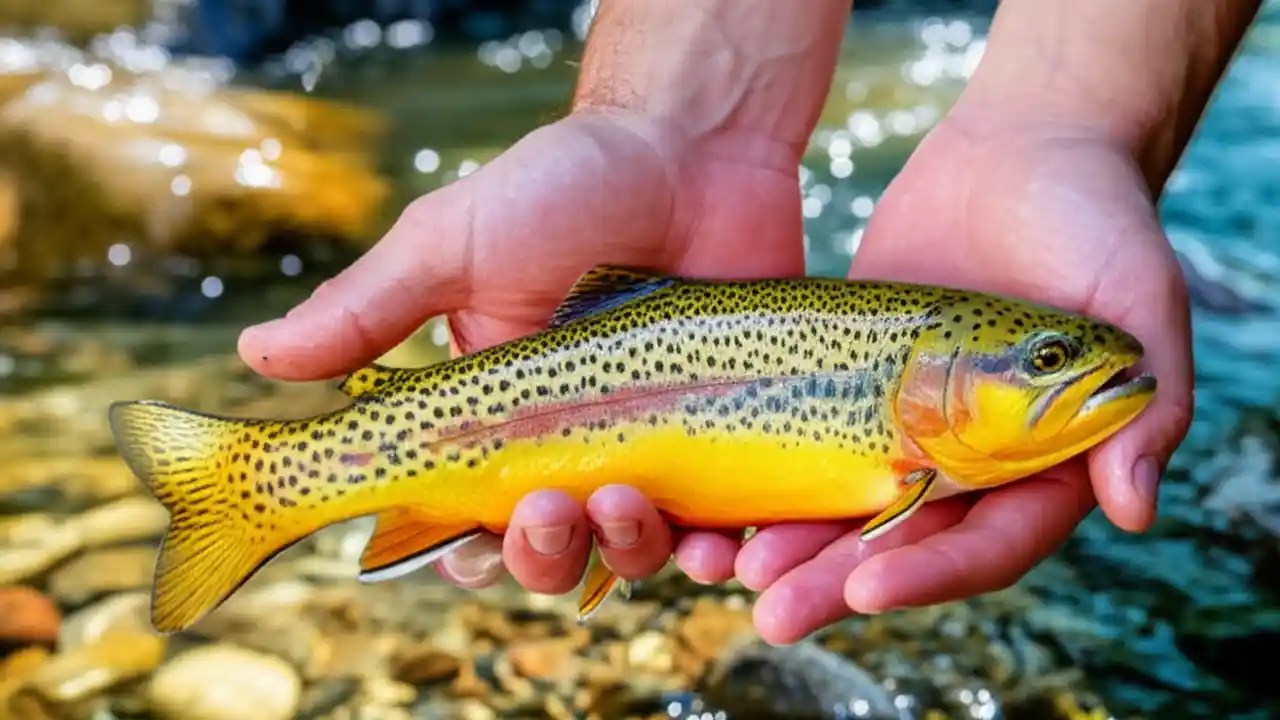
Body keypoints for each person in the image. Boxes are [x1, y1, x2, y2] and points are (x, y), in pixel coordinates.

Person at [237, 0, 1260, 645]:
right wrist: (656, 127)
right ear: (931, 387)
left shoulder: (916, 449)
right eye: (1043, 360)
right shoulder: (909, 457)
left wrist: (1070, 125)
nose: (1081, 368)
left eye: (1050, 359)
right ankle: (270, 486)